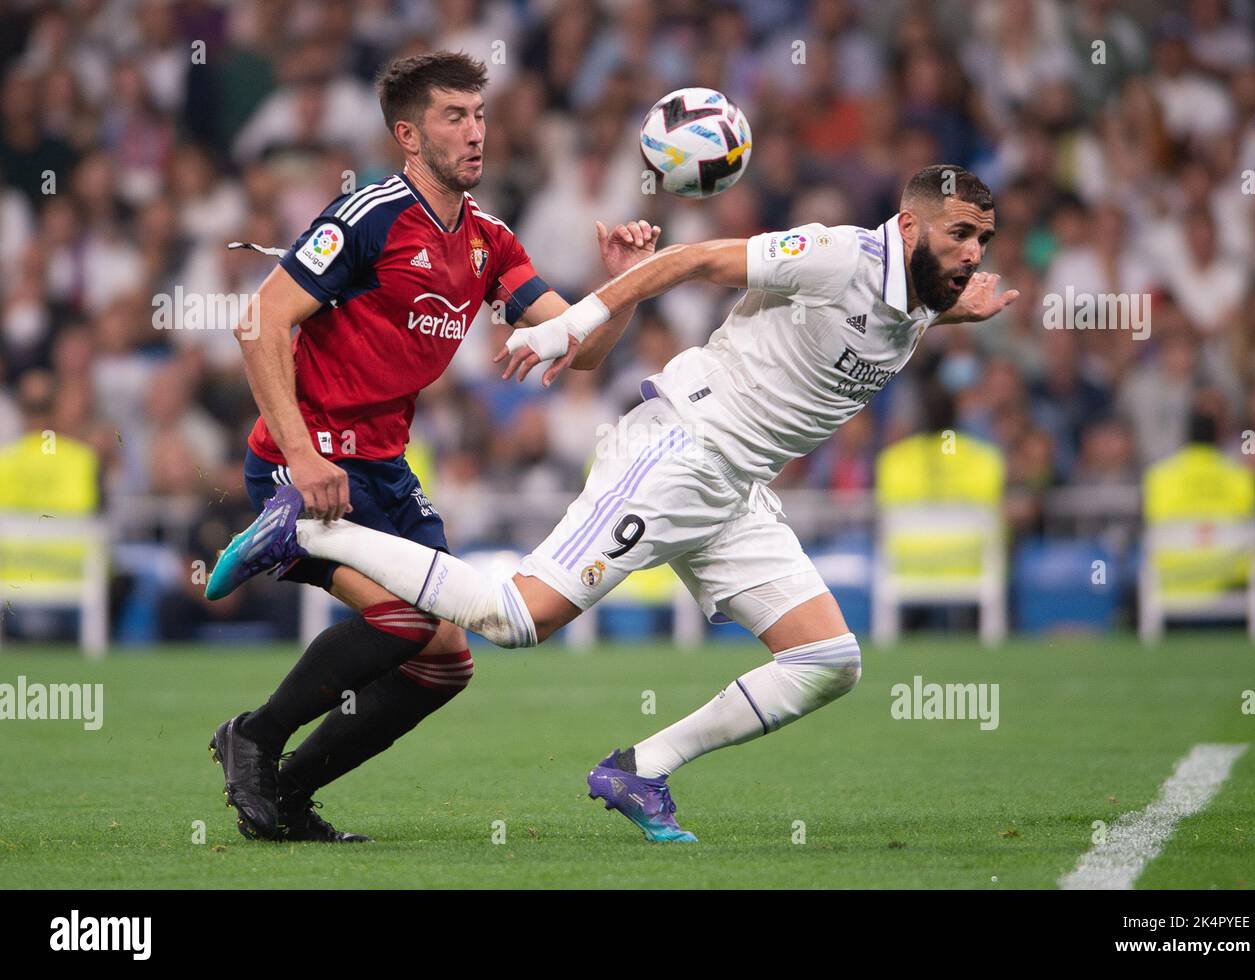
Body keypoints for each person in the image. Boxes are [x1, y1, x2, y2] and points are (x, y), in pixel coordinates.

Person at [210, 165, 1017, 842]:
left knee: (827, 662)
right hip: (682, 451)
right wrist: (577, 321)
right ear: (909, 227)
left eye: (982, 240)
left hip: (734, 488)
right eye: (960, 237)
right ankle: (310, 528)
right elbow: (695, 261)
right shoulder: (837, 253)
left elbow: (875, 316)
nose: (973, 253)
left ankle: (641, 770)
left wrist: (953, 308)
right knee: (515, 621)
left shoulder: (916, 291)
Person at [205, 50, 659, 843]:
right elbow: (261, 323)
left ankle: (286, 792)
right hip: (301, 467)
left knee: (447, 659)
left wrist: (621, 285)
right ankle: (254, 735)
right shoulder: (368, 216)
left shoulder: (489, 240)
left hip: (382, 469)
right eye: (455, 117)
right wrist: (305, 456)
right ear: (408, 136)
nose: (476, 132)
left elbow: (577, 349)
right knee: (409, 624)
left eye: (480, 115)